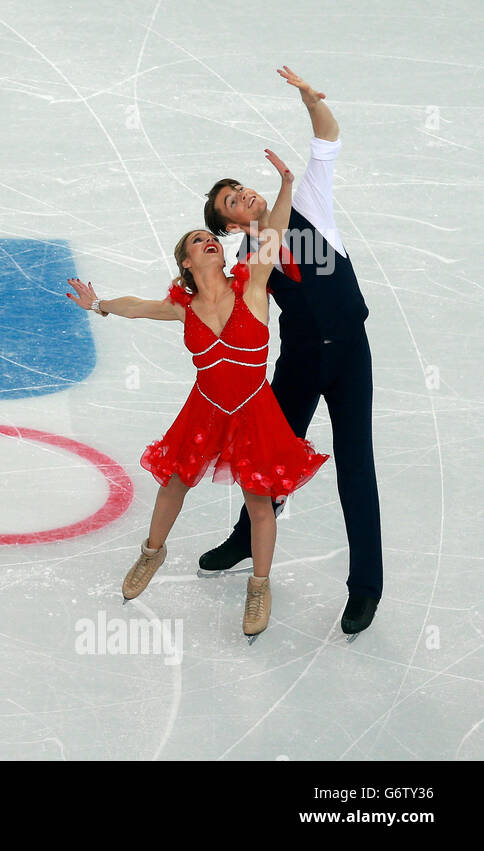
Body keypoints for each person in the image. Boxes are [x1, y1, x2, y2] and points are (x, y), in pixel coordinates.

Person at [64, 150, 328, 636]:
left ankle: (259, 587)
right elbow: (138, 306)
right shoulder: (182, 308)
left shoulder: (251, 285)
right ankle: (152, 553)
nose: (209, 241)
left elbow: (272, 236)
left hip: (253, 409)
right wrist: (98, 304)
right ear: (186, 261)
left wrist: (287, 184)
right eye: (197, 241)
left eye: (211, 237)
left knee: (259, 501)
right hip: (204, 410)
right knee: (174, 484)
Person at [200, 66, 382, 635]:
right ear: (230, 224)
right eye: (232, 201)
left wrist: (309, 101)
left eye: (239, 188)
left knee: (356, 467)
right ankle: (241, 541)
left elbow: (327, 141)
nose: (241, 196)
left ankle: (366, 587)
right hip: (299, 361)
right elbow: (253, 273)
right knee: (264, 462)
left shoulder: (310, 200)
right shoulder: (251, 256)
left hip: (350, 353)